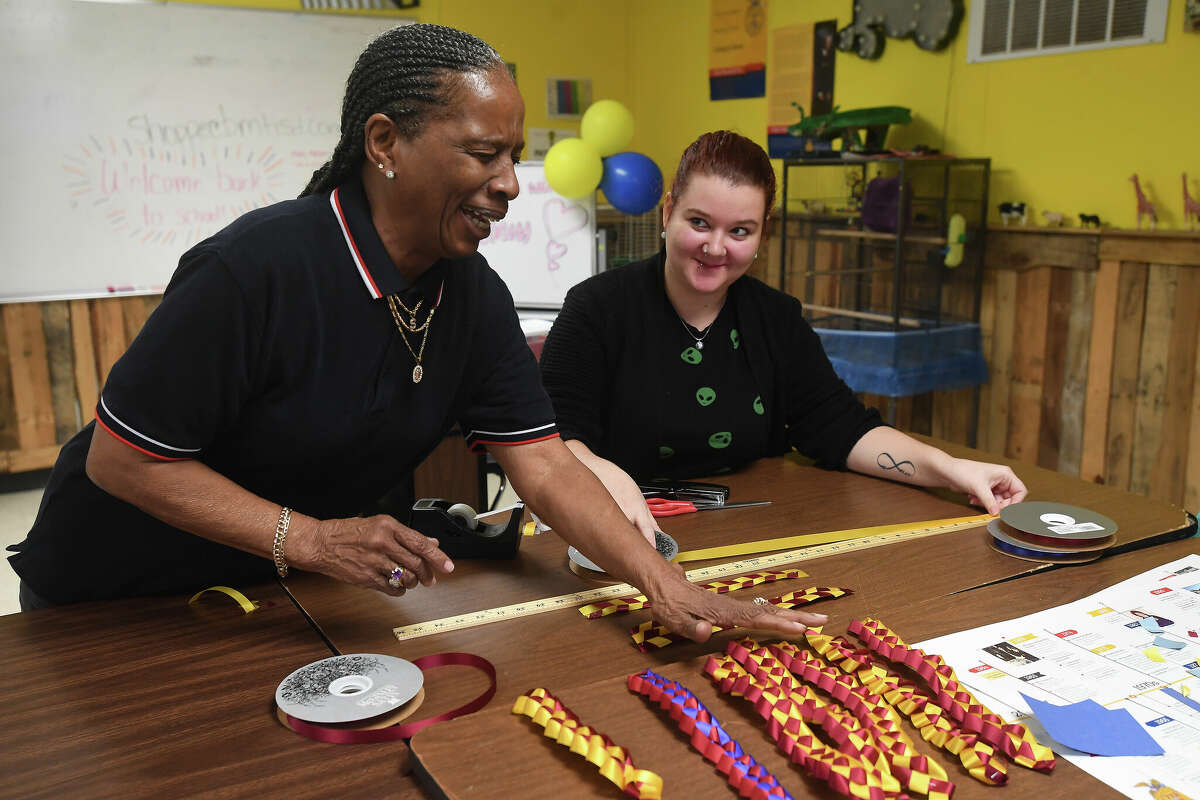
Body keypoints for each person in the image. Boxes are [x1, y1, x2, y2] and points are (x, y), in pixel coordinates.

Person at [6, 27, 820, 644]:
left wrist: (655, 580)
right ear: (385, 143)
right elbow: (123, 459)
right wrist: (315, 539)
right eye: (483, 153)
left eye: (514, 155)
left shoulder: (474, 297)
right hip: (114, 599)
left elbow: (542, 464)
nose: (508, 183)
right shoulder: (254, 270)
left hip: (276, 596)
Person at [539, 130, 1027, 542]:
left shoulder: (776, 318)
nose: (715, 248)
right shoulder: (596, 308)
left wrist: (953, 469)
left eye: (740, 231)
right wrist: (604, 477)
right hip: (617, 534)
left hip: (756, 533)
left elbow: (843, 428)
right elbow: (553, 439)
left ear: (762, 235)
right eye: (699, 222)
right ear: (668, 212)